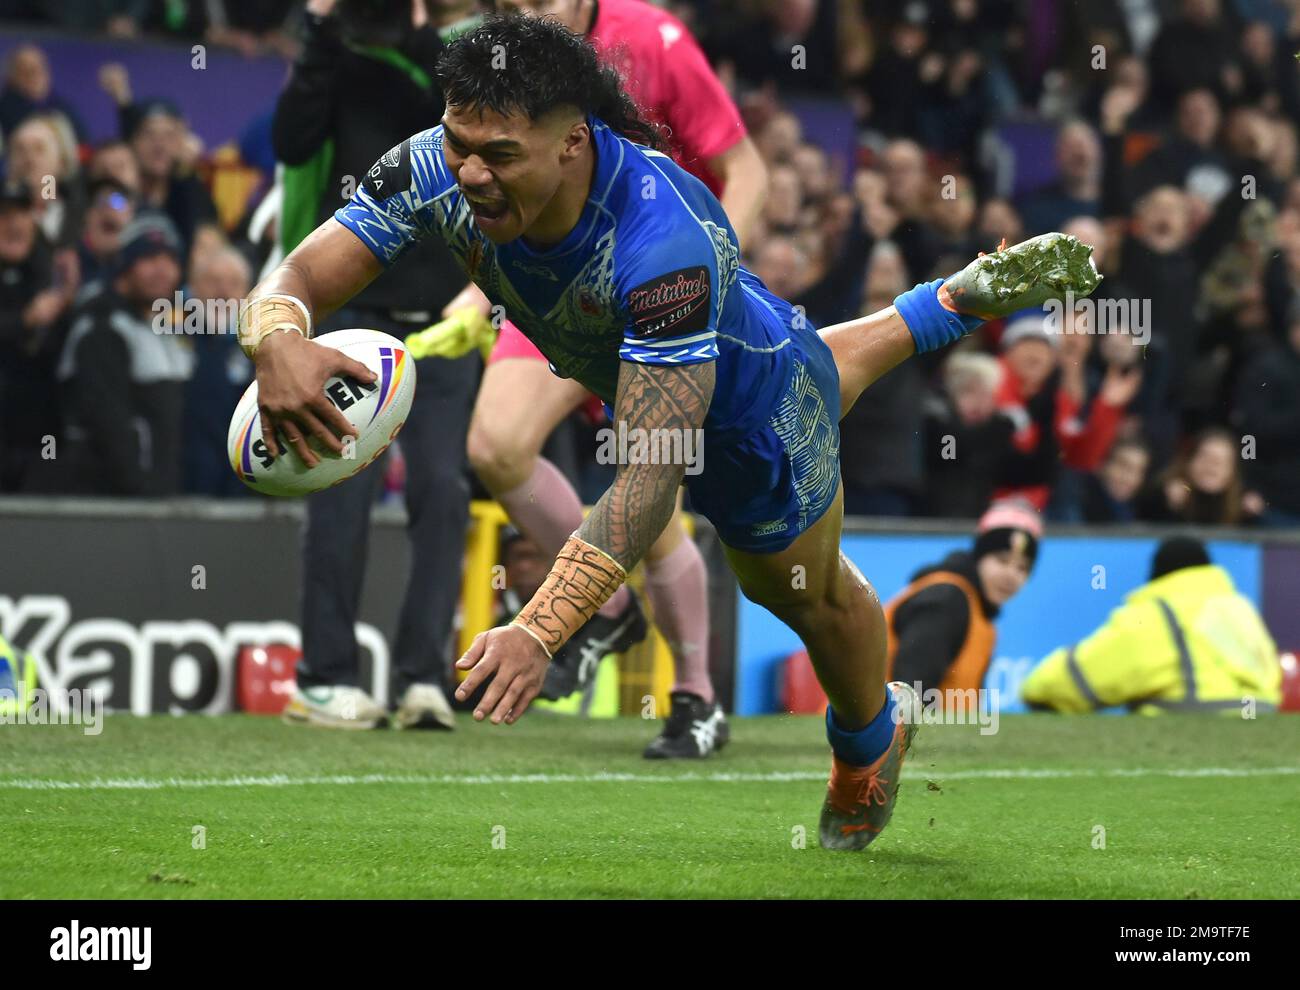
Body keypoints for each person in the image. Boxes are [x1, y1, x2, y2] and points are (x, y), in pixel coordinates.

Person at [237, 15, 1097, 849]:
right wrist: (280, 342)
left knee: (798, 587)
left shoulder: (661, 244)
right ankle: (942, 304)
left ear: (573, 141)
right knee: (507, 436)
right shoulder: (438, 162)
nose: (469, 174)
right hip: (617, 352)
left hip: (744, 418)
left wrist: (541, 628)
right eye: (459, 144)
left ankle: (870, 741)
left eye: (499, 156)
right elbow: (306, 270)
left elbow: (652, 477)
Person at [422, 0, 768, 758]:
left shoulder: (656, 40)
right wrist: (474, 295)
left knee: (649, 493)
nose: (529, 11)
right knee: (496, 445)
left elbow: (748, 171)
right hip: (556, 286)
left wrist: (714, 270)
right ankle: (605, 608)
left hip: (658, 288)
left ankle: (696, 696)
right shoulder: (497, 55)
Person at [270, 0, 481, 731]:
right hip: (350, 320)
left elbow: (449, 107)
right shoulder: (336, 64)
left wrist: (419, 25)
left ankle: (424, 678)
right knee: (338, 494)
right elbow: (292, 139)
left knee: (443, 493)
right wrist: (323, 27)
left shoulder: (442, 63)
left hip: (444, 317)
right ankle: (326, 677)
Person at [1022, 537, 1281, 714]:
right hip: (1263, 725)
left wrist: (1035, 687)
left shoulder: (1160, 612)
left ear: (1157, 576)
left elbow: (1076, 679)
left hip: (1192, 733)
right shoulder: (1240, 609)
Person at [50, 215, 192, 496]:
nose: (162, 270)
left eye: (170, 260)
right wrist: (142, 490)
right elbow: (108, 424)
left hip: (160, 499)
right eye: (149, 258)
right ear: (124, 267)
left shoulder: (166, 329)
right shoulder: (100, 328)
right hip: (109, 504)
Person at [885, 500, 1040, 700]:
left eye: (1022, 568)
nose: (1011, 575)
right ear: (979, 558)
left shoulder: (976, 611)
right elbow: (910, 691)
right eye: (1002, 560)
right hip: (881, 730)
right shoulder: (946, 601)